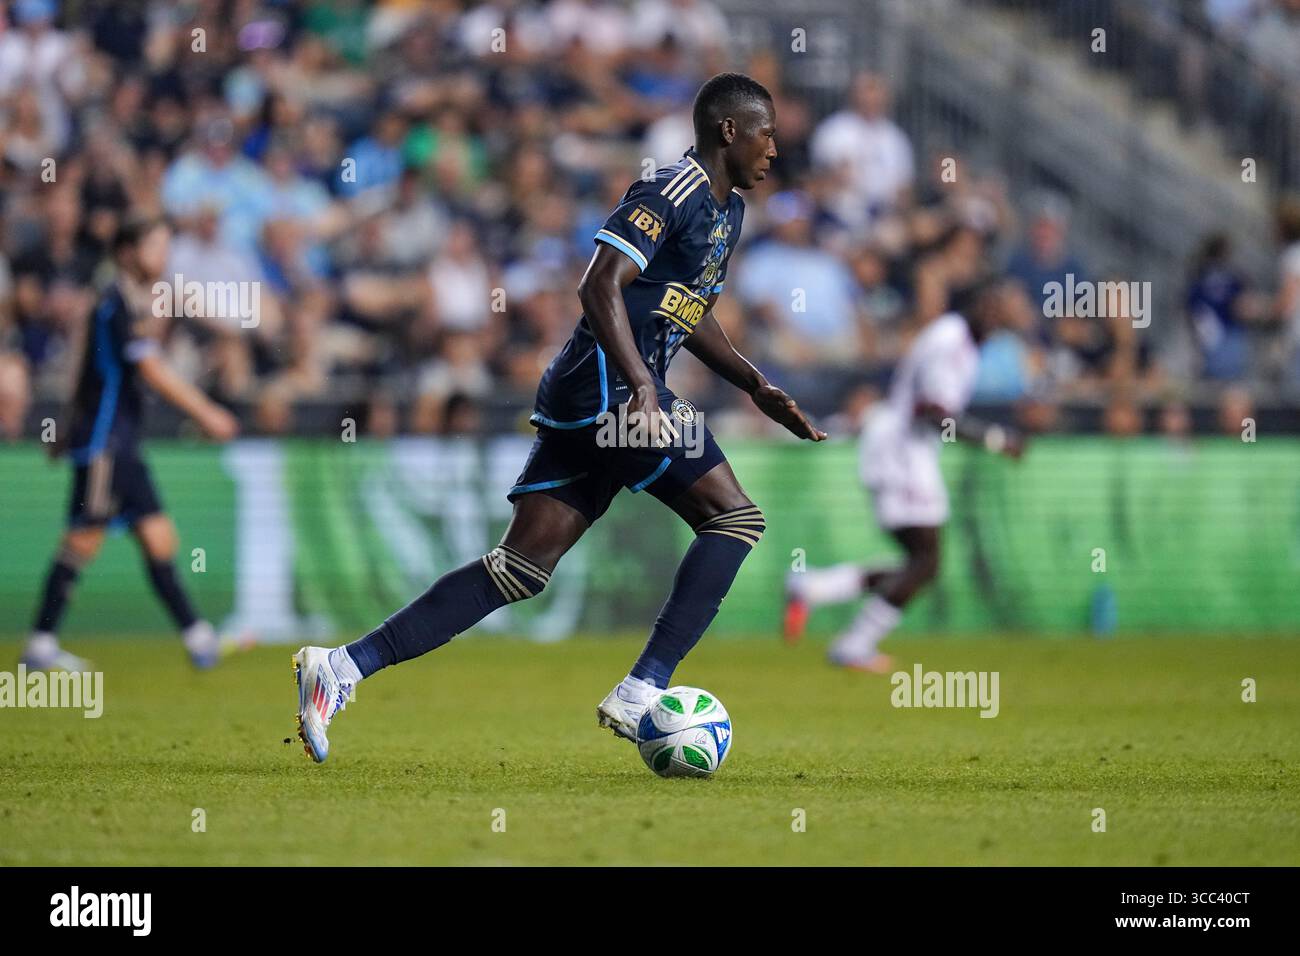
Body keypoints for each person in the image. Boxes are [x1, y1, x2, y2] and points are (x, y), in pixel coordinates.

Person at [292, 72, 826, 763]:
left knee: (519, 568)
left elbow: (685, 312)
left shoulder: (729, 211)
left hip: (600, 397)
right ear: (730, 130)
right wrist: (640, 386)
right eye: (767, 132)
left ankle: (339, 668)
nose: (775, 149)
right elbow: (597, 283)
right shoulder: (670, 191)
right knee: (734, 518)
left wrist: (756, 385)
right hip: (606, 391)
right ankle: (644, 687)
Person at [21, 216, 242, 672]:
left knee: (158, 537)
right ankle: (41, 643)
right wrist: (208, 412)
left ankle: (199, 638)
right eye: (155, 245)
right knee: (83, 539)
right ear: (127, 252)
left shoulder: (116, 300)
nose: (162, 256)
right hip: (105, 441)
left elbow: (84, 364)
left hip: (120, 441)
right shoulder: (116, 299)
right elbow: (150, 369)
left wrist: (64, 423)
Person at [783, 277, 1025, 671]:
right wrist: (996, 439)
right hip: (901, 450)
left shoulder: (963, 342)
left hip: (907, 450)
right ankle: (854, 644)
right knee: (926, 561)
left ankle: (814, 587)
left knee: (919, 561)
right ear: (979, 302)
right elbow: (932, 411)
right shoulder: (952, 339)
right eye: (995, 304)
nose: (1001, 314)